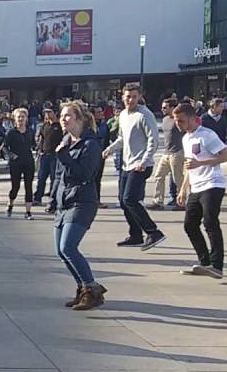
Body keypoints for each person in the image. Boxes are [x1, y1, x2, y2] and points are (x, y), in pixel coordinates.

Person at [52, 103, 106, 311]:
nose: (63, 119)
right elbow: (59, 175)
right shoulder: (66, 140)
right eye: (62, 116)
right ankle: (83, 288)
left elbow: (84, 174)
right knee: (61, 251)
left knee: (68, 247)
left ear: (80, 119)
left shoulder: (90, 145)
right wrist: (53, 198)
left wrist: (64, 157)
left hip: (82, 201)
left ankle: (92, 289)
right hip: (64, 202)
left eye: (68, 116)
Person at [104, 84, 166, 250]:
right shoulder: (123, 115)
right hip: (127, 164)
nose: (130, 100)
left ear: (139, 97)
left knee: (130, 199)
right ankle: (136, 235)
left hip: (141, 165)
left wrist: (144, 161)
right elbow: (122, 138)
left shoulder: (144, 115)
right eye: (127, 96)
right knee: (123, 201)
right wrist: (110, 149)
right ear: (122, 97)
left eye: (133, 97)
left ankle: (153, 232)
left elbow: (153, 140)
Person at [174, 103, 227, 279]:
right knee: (189, 225)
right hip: (196, 186)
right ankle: (204, 262)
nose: (178, 124)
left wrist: (201, 163)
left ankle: (217, 265)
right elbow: (189, 166)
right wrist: (183, 189)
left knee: (210, 222)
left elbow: (226, 156)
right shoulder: (186, 138)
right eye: (176, 121)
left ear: (192, 118)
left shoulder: (207, 135)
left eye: (181, 121)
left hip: (213, 183)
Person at [0, 108, 35, 220]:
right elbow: (4, 147)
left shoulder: (30, 132)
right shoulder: (11, 132)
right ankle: (10, 205)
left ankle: (28, 211)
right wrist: (11, 156)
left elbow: (34, 144)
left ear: (26, 118)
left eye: (23, 117)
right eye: (18, 117)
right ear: (15, 119)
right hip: (16, 163)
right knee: (16, 186)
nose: (21, 119)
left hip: (28, 161)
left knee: (29, 186)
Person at [149, 98, 185, 210]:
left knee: (178, 179)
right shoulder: (165, 119)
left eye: (165, 107)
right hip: (166, 152)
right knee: (158, 176)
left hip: (177, 152)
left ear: (173, 108)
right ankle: (158, 201)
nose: (162, 109)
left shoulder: (179, 120)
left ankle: (181, 202)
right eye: (162, 107)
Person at [32, 107, 63, 209]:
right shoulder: (44, 125)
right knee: (41, 177)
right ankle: (37, 197)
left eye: (49, 112)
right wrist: (39, 149)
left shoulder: (59, 126)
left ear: (55, 113)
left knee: (54, 178)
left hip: (55, 155)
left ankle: (53, 199)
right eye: (46, 113)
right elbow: (40, 138)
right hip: (44, 155)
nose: (47, 114)